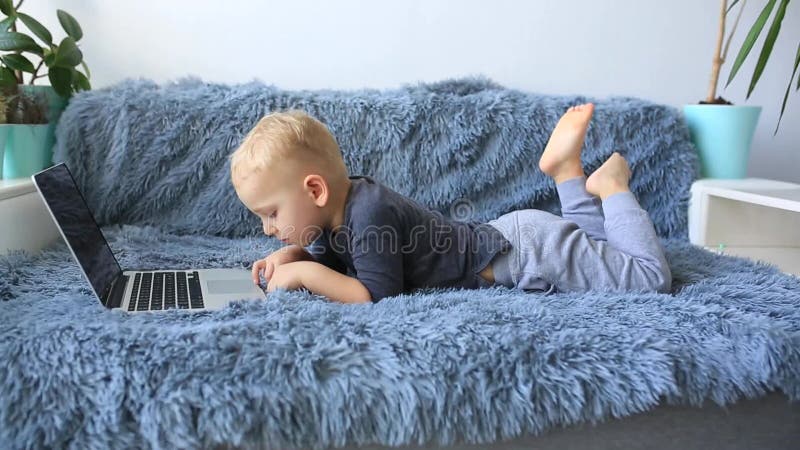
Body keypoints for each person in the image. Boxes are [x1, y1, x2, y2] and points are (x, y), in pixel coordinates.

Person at [228, 103, 672, 304]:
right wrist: (293, 253)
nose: (267, 227)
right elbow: (338, 265)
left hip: (529, 254)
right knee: (598, 250)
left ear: (314, 191)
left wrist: (303, 272)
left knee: (648, 280)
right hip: (513, 239)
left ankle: (612, 186)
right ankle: (567, 174)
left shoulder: (369, 214)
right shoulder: (331, 215)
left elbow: (373, 295)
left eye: (271, 214)